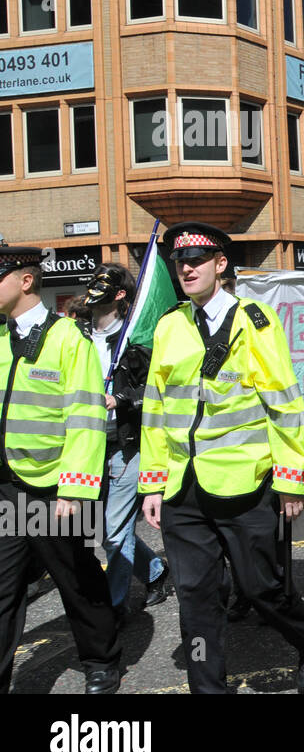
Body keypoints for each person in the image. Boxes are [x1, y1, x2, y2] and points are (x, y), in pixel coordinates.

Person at [140, 222, 304, 694]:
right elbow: (156, 407)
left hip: (244, 484)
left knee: (260, 589)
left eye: (197, 261)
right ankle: (208, 687)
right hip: (184, 488)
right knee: (196, 596)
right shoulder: (170, 326)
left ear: (220, 265)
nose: (186, 269)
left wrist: (291, 478)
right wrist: (151, 481)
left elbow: (285, 403)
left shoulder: (256, 320)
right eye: (180, 262)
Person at [0, 246, 121, 694]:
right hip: (7, 486)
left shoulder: (69, 338)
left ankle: (101, 659)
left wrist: (74, 489)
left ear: (25, 281)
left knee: (76, 577)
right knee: (3, 588)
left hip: (55, 487)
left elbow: (85, 419)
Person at [84, 264, 168, 620]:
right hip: (85, 448)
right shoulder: (75, 337)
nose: (93, 290)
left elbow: (155, 392)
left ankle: (115, 610)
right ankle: (155, 571)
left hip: (125, 446)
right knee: (98, 530)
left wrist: (121, 399)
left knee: (116, 533)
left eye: (104, 285)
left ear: (120, 295)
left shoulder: (136, 342)